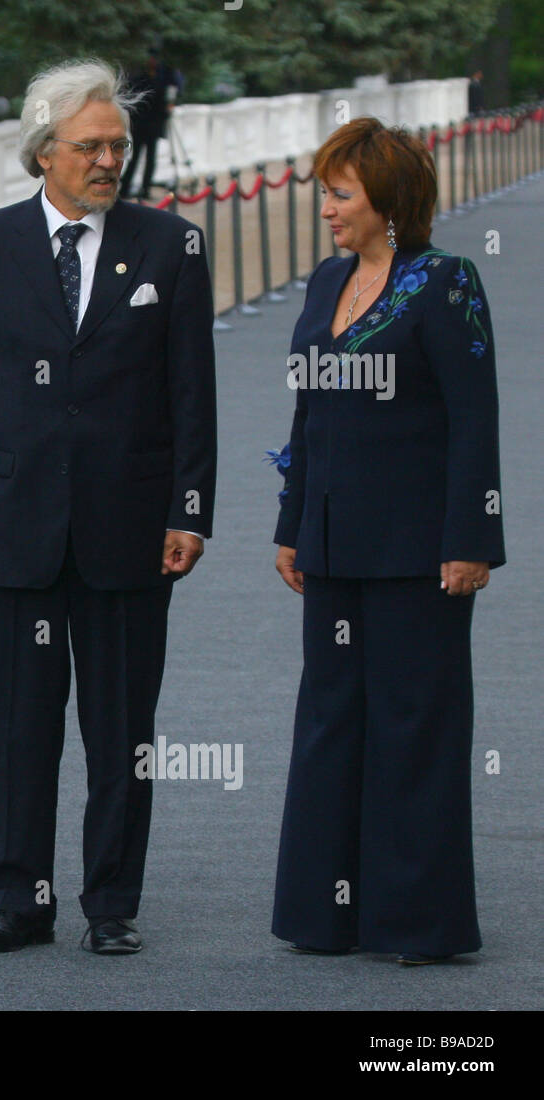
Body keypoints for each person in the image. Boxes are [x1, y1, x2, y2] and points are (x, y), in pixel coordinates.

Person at [0, 59, 216, 955]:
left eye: (118, 146)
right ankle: (20, 901)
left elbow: (191, 396)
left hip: (131, 530)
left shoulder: (170, 246)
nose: (109, 161)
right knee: (24, 728)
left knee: (121, 733)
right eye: (90, 146)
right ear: (41, 152)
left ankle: (110, 905)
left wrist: (191, 510)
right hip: (15, 527)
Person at [271, 117, 504, 964]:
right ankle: (325, 914)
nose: (327, 208)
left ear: (389, 199)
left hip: (421, 552)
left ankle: (419, 923)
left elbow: (476, 418)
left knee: (415, 727)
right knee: (330, 723)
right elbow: (306, 411)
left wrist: (472, 539)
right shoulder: (324, 281)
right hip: (331, 546)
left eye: (340, 193)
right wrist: (292, 525)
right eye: (325, 192)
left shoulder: (447, 282)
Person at [121, 48, 181, 201]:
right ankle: (125, 187)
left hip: (155, 121)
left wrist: (169, 104)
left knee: (150, 157)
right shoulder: (139, 75)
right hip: (140, 122)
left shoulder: (164, 74)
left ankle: (145, 188)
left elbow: (173, 89)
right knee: (135, 157)